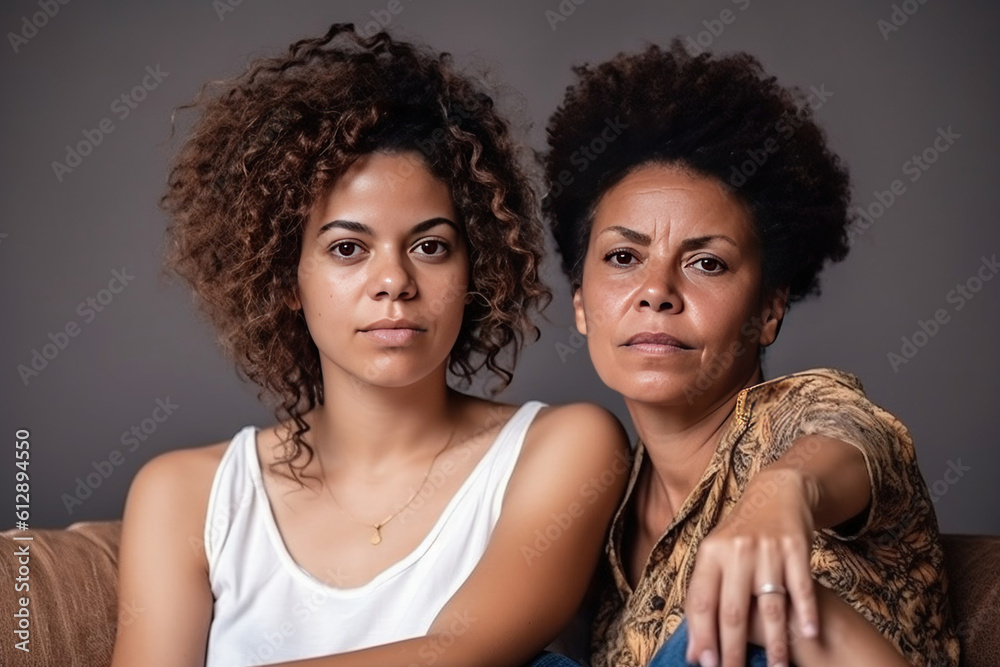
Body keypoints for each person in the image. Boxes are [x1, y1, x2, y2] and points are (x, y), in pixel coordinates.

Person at [109, 24, 630, 667]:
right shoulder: (184, 493)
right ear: (287, 280)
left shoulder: (562, 448)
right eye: (348, 249)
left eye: (430, 246)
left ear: (475, 272)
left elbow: (458, 653)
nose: (395, 283)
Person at [540, 41, 960, 666]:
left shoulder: (793, 419)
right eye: (623, 259)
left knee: (766, 614)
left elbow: (848, 432)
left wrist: (782, 492)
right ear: (580, 303)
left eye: (706, 263)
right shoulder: (604, 509)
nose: (656, 292)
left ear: (767, 311)